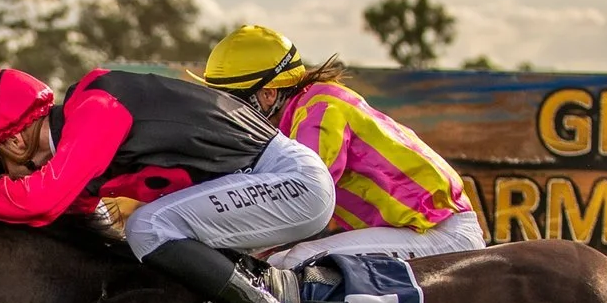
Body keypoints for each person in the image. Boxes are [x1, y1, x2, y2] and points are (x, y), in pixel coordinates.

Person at [0, 66, 337, 303]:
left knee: (149, 225)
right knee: (149, 233)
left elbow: (44, 198)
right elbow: (69, 222)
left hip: (291, 183)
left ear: (17, 139)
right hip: (267, 184)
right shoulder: (77, 137)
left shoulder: (94, 109)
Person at [197, 24, 483, 268]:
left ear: (269, 94)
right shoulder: (300, 113)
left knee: (295, 261)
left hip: (439, 234)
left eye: (232, 100)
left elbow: (298, 203)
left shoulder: (319, 112)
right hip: (416, 230)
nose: (226, 111)